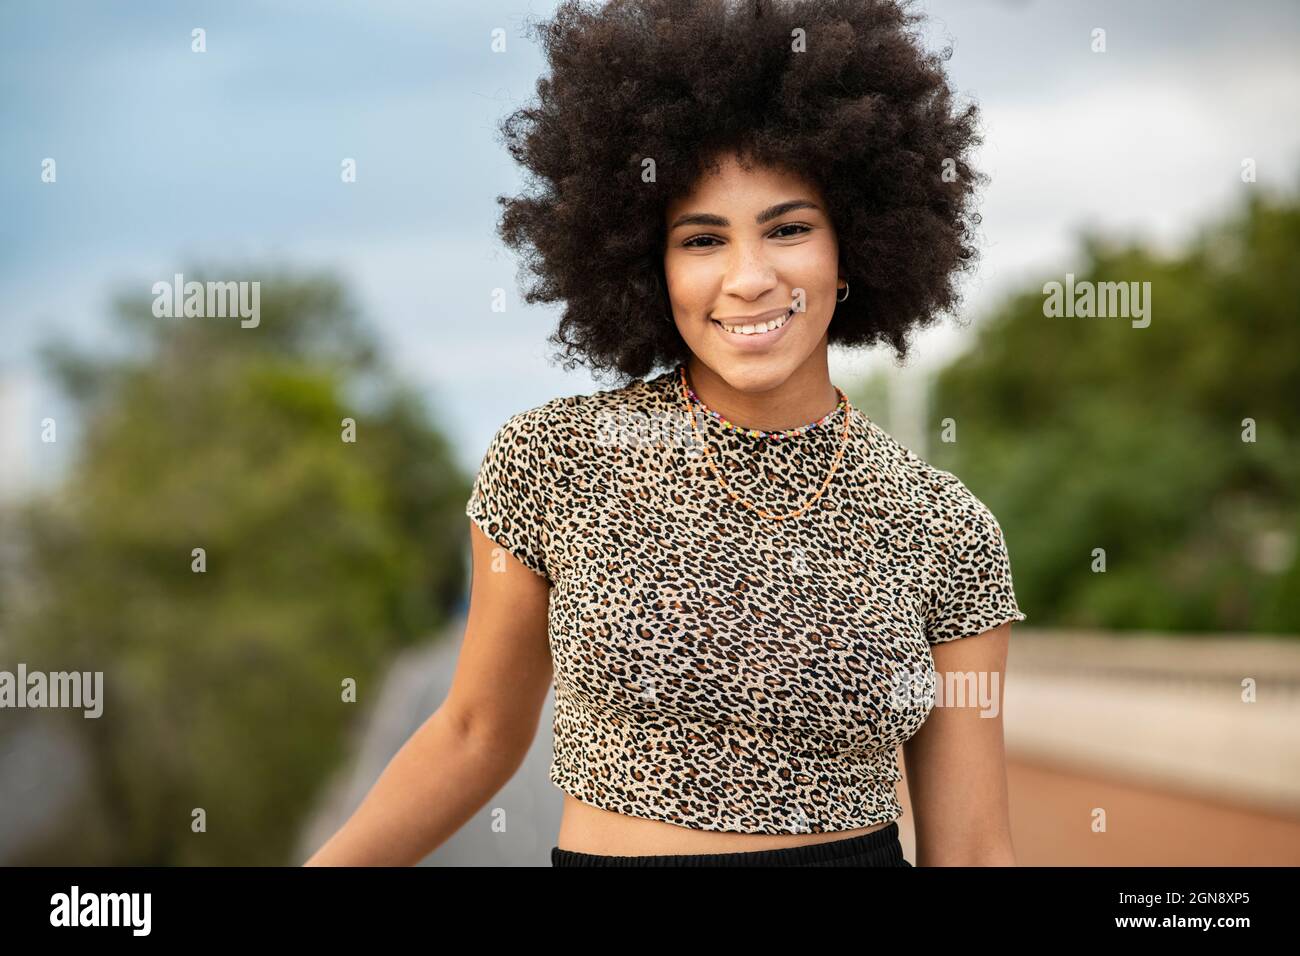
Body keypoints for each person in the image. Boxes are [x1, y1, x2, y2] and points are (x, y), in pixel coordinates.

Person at [305, 0, 1025, 868]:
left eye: (789, 229)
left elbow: (974, 849)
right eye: (702, 239)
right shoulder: (553, 463)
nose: (749, 278)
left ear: (855, 250)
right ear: (650, 266)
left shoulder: (945, 526)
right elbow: (471, 735)